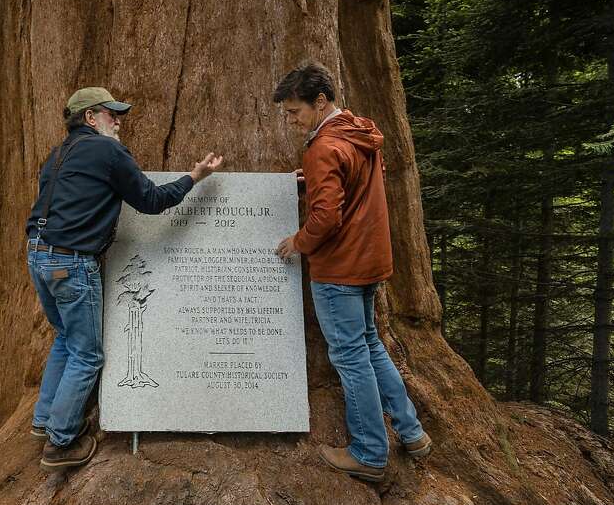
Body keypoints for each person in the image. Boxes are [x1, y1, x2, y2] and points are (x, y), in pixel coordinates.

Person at [26, 86, 223, 471]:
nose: (118, 120)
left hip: (38, 256)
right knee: (88, 354)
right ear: (89, 118)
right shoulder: (108, 150)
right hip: (71, 263)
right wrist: (194, 177)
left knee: (66, 338)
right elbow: (150, 200)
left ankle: (44, 419)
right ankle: (60, 442)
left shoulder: (58, 154)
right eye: (110, 113)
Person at [272, 62, 432, 483]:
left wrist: (299, 242)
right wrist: (316, 179)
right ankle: (412, 432)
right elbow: (361, 179)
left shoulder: (324, 145)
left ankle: (369, 453)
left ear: (320, 101)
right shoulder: (359, 132)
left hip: (339, 266)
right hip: (369, 260)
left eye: (294, 112)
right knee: (370, 346)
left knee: (350, 357)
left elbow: (326, 217)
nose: (291, 121)